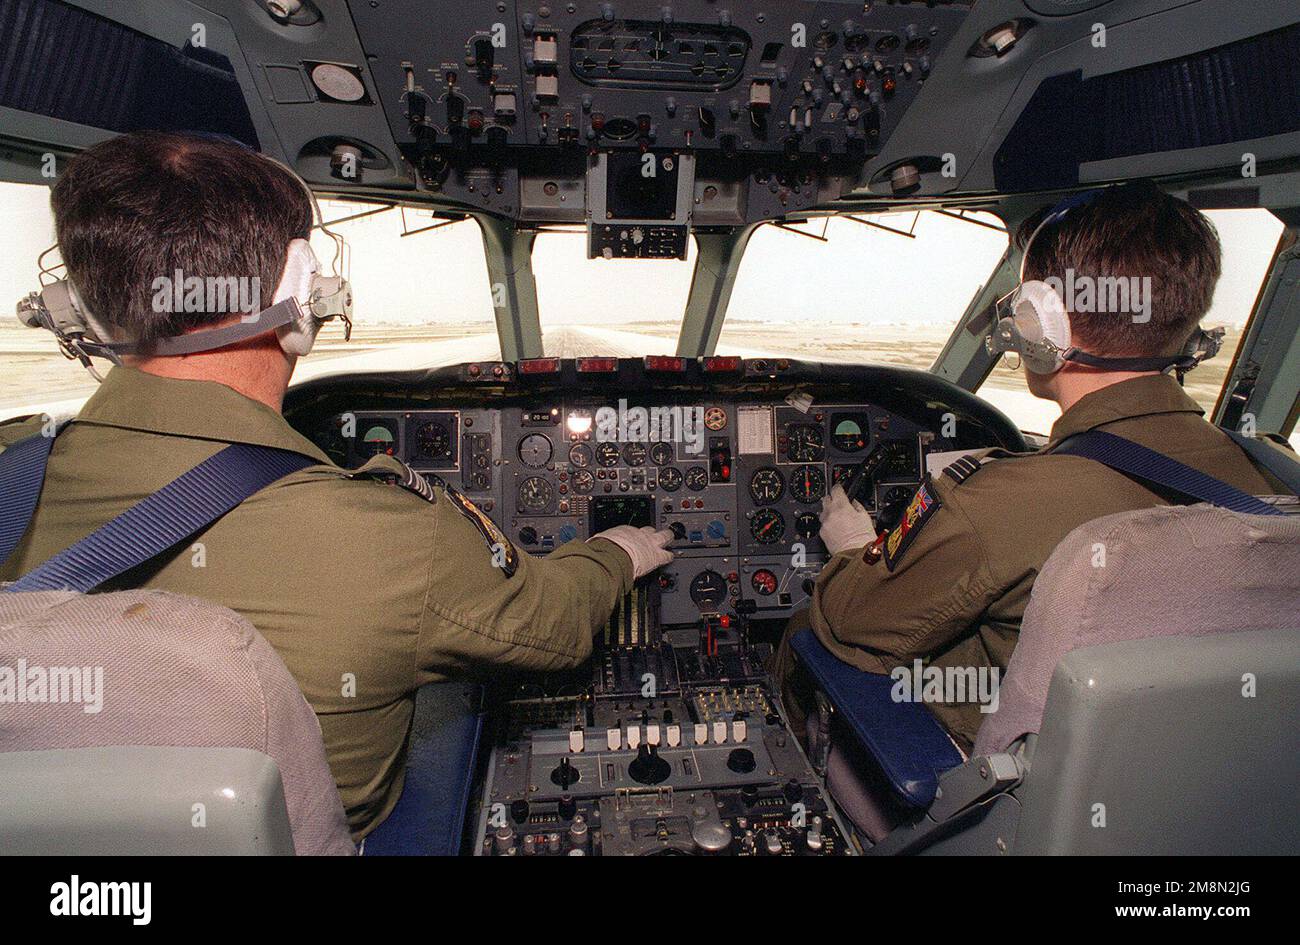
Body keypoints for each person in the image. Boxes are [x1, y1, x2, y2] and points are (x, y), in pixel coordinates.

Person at [0, 131, 673, 839]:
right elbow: (555, 629)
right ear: (299, 292)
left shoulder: (13, 471)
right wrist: (619, 551)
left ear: (76, 308)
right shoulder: (390, 536)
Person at [775, 181, 1296, 765]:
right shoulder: (1277, 473)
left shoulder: (1000, 501)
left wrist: (853, 548)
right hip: (1215, 774)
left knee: (806, 630)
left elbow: (852, 624)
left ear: (1041, 322)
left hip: (1004, 791)